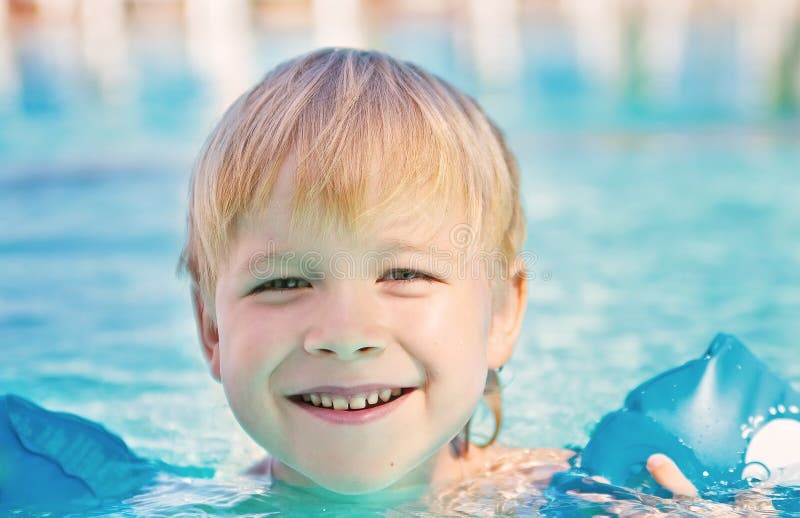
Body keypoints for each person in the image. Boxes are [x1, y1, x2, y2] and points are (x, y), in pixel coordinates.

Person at [177, 47, 696, 501]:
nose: (346, 336)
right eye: (283, 283)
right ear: (212, 329)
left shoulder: (577, 494)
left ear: (500, 313)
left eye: (403, 273)